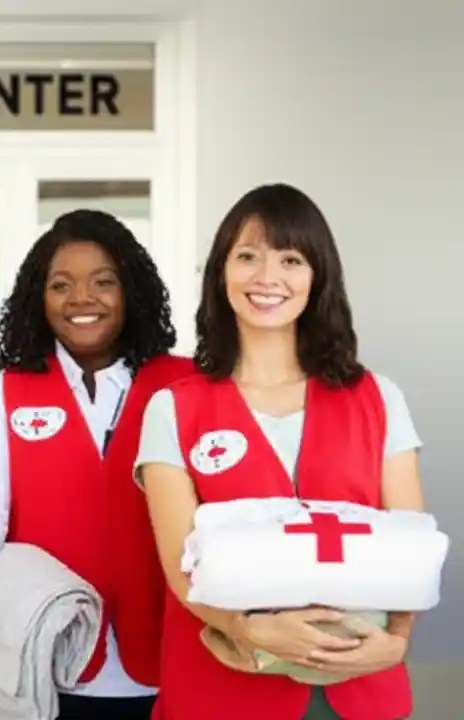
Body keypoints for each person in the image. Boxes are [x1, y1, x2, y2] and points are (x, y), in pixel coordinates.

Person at [136, 184, 422, 720]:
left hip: (355, 688)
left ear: (317, 278)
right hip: (226, 693)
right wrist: (246, 627)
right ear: (222, 272)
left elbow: (409, 550)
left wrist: (399, 638)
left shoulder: (377, 399)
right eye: (247, 256)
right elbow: (180, 569)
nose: (267, 277)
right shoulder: (174, 409)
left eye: (291, 259)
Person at [0, 209, 194, 720]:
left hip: (173, 654)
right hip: (48, 659)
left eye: (104, 282)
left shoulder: (186, 385)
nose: (82, 299)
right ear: (39, 296)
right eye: (61, 285)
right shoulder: (3, 392)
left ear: (132, 292)